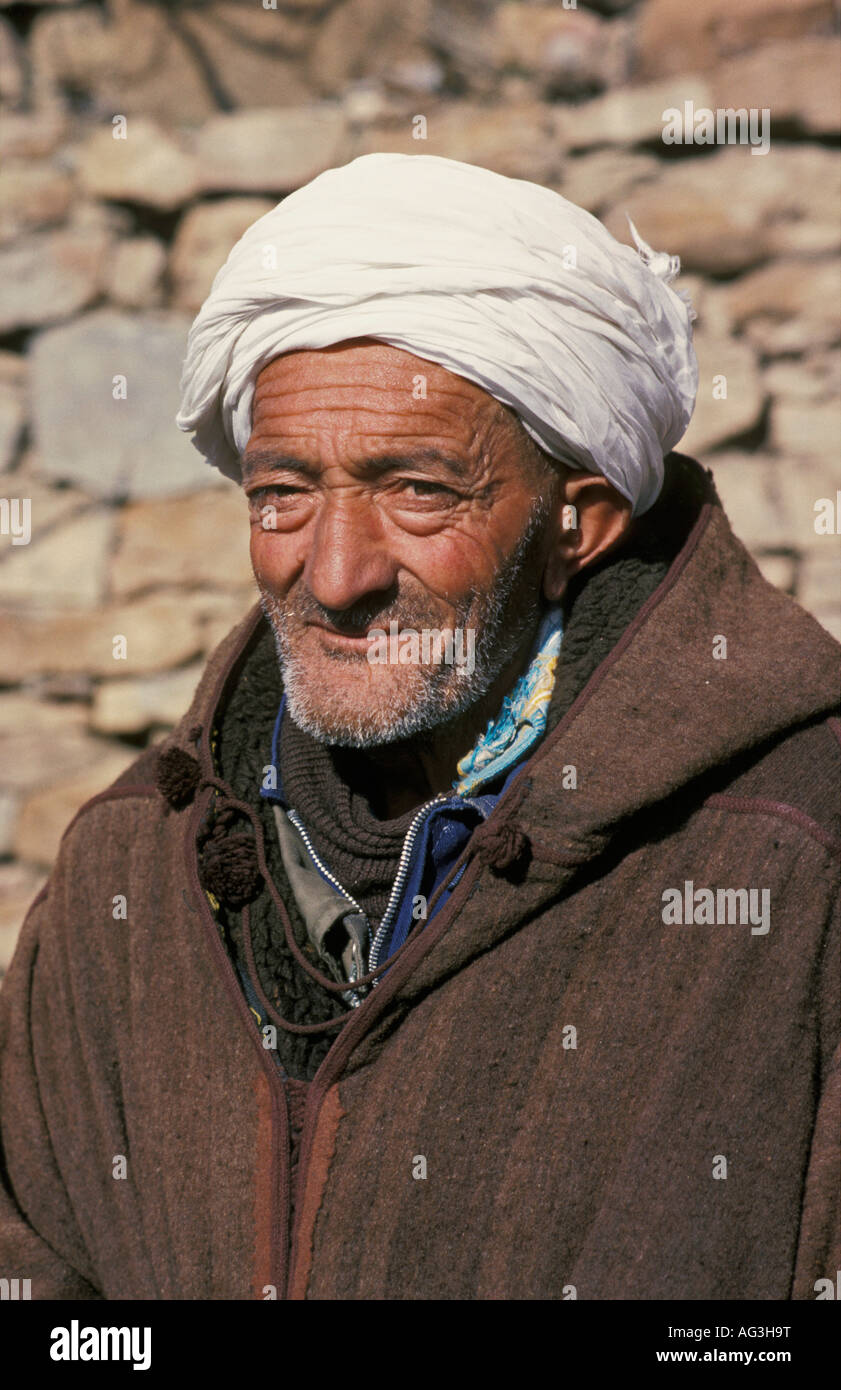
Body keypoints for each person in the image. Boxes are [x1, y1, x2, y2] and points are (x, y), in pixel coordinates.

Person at [0, 155, 837, 1301]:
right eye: (280, 493)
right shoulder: (134, 870)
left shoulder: (793, 856)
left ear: (573, 525)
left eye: (416, 492)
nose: (332, 575)